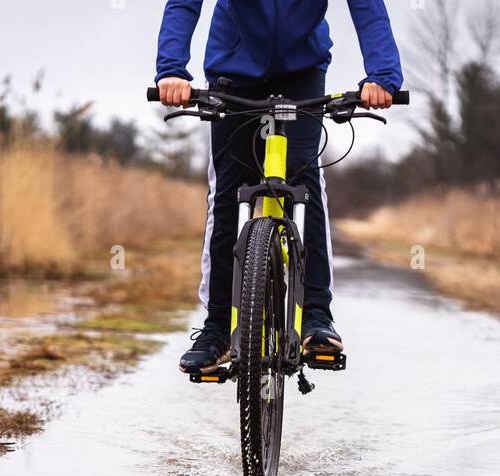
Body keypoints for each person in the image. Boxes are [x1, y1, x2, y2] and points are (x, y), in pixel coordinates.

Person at [154, 1, 404, 372]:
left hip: (301, 72)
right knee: (228, 193)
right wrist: (171, 69)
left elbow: (366, 6)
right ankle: (219, 327)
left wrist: (382, 74)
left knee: (304, 181)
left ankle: (316, 315)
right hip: (233, 72)